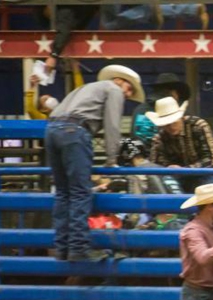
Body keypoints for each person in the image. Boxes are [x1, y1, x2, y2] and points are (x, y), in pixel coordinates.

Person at [47, 64, 144, 262]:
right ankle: (78, 248)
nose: (127, 95)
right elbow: (112, 125)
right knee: (80, 192)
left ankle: (62, 247)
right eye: (129, 90)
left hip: (52, 130)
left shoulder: (85, 89)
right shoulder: (113, 89)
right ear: (119, 81)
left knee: (63, 192)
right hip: (75, 133)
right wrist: (111, 160)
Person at [132, 73, 213, 151]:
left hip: (139, 164)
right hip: (160, 165)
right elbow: (197, 130)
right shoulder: (170, 112)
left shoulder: (139, 110)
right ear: (174, 93)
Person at [147, 96, 213, 192]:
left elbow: (211, 159)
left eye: (173, 122)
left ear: (181, 117)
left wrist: (184, 169)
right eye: (166, 125)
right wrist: (169, 168)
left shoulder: (198, 126)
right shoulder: (159, 138)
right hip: (177, 177)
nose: (170, 127)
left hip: (205, 173)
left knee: (207, 195)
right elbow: (156, 164)